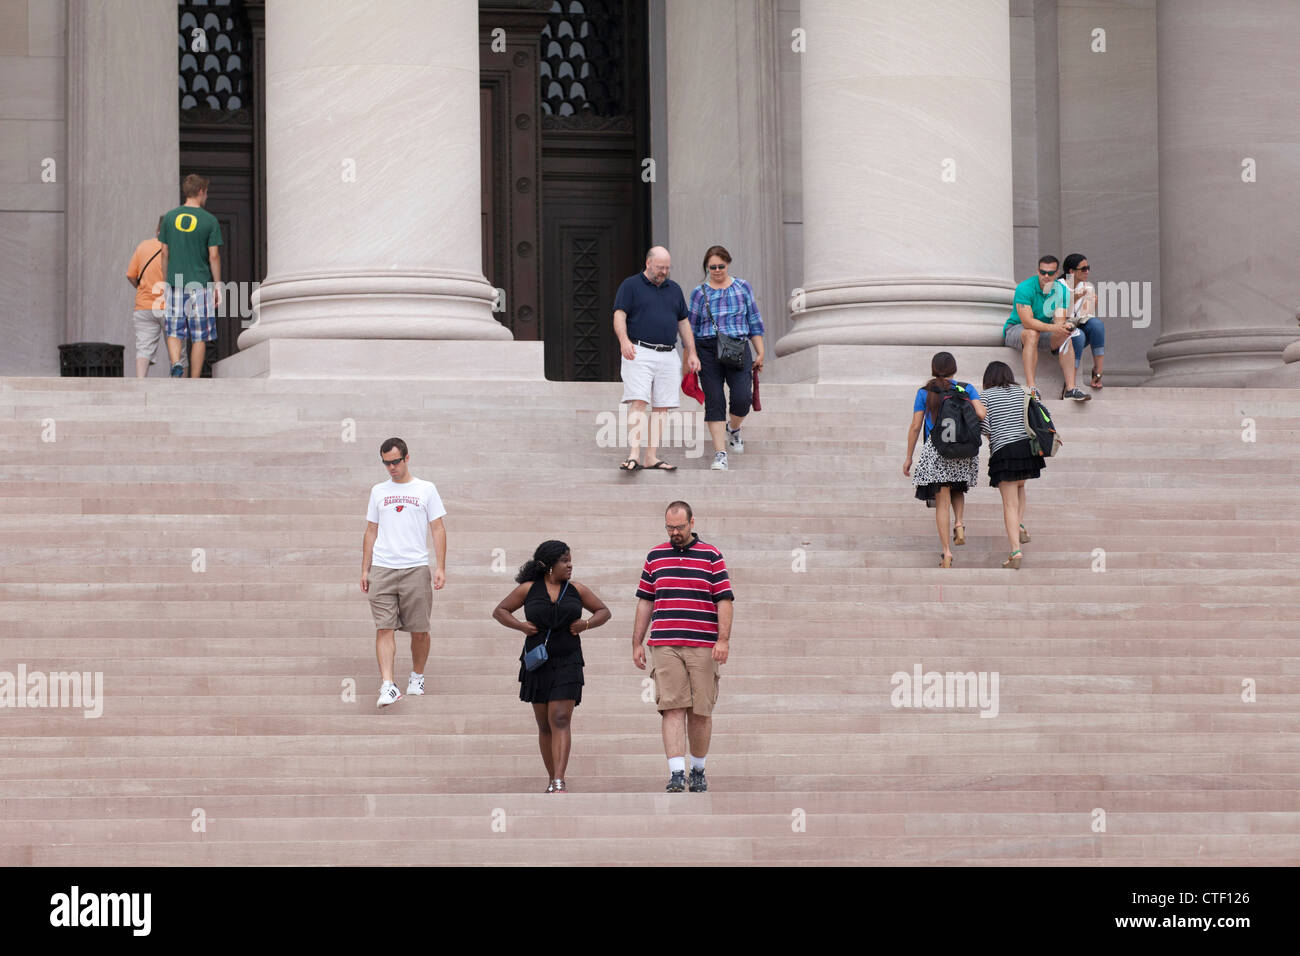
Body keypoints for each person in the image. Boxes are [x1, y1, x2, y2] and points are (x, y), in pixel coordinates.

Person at [492, 541, 611, 793]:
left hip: (568, 659)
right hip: (537, 661)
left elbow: (603, 611)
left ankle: (559, 779)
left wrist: (586, 624)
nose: (570, 565)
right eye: (565, 560)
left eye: (570, 560)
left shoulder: (576, 588)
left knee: (560, 717)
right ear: (549, 565)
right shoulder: (527, 589)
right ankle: (551, 778)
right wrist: (521, 626)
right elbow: (500, 610)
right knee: (545, 724)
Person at [632, 501, 733, 793]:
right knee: (672, 707)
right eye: (669, 527)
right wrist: (637, 641)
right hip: (665, 642)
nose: (674, 532)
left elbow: (724, 599)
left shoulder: (711, 555)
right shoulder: (655, 556)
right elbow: (645, 600)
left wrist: (723, 639)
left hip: (702, 643)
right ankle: (677, 773)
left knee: (700, 710)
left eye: (679, 526)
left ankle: (698, 769)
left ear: (691, 523)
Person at [361, 438, 447, 706]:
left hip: (415, 567)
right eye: (386, 463)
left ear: (407, 458)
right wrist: (365, 569)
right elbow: (371, 530)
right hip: (383, 567)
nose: (391, 467)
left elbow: (437, 528)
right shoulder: (378, 491)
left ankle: (417, 676)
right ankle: (387, 684)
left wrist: (440, 567)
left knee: (419, 629)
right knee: (384, 627)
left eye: (395, 461)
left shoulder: (426, 489)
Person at [612, 246, 701, 472]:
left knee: (662, 407)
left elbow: (683, 322)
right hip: (639, 350)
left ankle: (651, 456)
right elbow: (619, 314)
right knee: (639, 401)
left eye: (667, 268)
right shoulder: (630, 285)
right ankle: (634, 455)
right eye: (660, 267)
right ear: (648, 263)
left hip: (668, 354)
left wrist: (691, 352)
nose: (663, 272)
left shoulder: (674, 289)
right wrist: (623, 340)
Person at [903, 351, 987, 567]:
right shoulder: (966, 388)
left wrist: (909, 457)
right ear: (954, 368)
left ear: (933, 368)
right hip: (963, 448)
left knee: (942, 501)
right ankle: (959, 522)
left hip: (938, 449)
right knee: (958, 487)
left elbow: (915, 426)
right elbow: (981, 414)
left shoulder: (925, 392)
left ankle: (947, 553)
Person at [687, 245, 765, 471]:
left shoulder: (742, 287)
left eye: (721, 266)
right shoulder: (699, 292)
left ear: (728, 264)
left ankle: (734, 429)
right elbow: (689, 329)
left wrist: (760, 352)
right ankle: (720, 453)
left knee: (742, 398)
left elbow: (754, 321)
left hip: (737, 347)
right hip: (707, 349)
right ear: (707, 267)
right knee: (715, 401)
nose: (717, 270)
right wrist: (689, 358)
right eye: (713, 267)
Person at [981, 361, 1046, 570]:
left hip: (1003, 450)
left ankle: (1015, 551)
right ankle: (1019, 524)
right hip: (1027, 448)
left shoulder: (986, 396)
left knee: (1009, 503)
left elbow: (985, 427)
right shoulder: (1024, 391)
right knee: (1020, 486)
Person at [159, 174, 223, 378]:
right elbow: (213, 255)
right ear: (201, 191)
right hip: (200, 283)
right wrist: (218, 285)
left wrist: (165, 279)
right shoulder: (209, 220)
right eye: (206, 192)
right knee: (199, 336)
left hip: (175, 281)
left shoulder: (169, 217)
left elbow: (164, 252)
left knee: (173, 330)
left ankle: (176, 363)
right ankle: (193, 380)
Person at [1003, 255, 1090, 402]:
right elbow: (1028, 322)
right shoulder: (1024, 288)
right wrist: (1056, 327)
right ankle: (1031, 387)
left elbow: (1059, 319)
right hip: (1016, 329)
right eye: (1042, 272)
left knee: (1066, 336)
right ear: (1037, 271)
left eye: (1050, 273)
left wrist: (1064, 327)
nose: (1045, 276)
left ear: (1056, 274)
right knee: (1032, 333)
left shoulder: (1061, 289)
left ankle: (1070, 389)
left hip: (1042, 330)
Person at [125, 217, 172, 378]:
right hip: (169, 307)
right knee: (178, 351)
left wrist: (142, 288)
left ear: (157, 229)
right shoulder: (176, 248)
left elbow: (131, 275)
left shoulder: (143, 247)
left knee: (143, 349)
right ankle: (180, 385)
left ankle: (140, 383)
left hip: (144, 306)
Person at [1060, 253, 1105, 389]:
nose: (1087, 271)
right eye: (1083, 269)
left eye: (1088, 268)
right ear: (1071, 271)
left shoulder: (1087, 287)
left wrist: (1092, 306)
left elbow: (1084, 316)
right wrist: (1073, 299)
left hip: (1077, 325)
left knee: (1097, 325)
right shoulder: (1058, 286)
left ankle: (1097, 372)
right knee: (1078, 334)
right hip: (1060, 329)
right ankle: (1070, 384)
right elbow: (1058, 317)